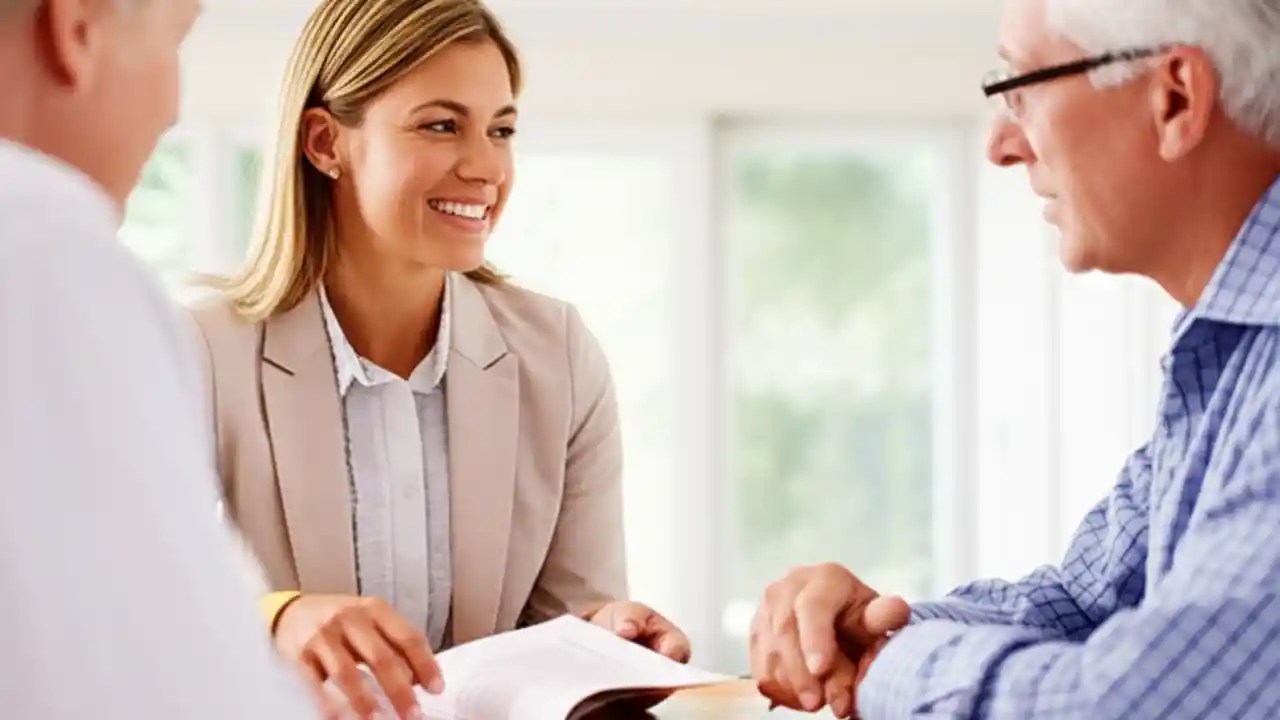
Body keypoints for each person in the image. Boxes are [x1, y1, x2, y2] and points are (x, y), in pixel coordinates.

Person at [749, 0, 1280, 717]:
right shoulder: (1226, 356)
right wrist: (858, 631)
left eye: (1021, 88)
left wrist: (886, 666)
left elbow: (1127, 706)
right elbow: (1081, 602)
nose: (1000, 144)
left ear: (1175, 100)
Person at [188, 1, 689, 717]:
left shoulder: (560, 356)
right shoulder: (200, 353)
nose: (486, 168)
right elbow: (122, 593)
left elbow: (567, 625)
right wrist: (277, 618)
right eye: (440, 126)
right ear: (326, 143)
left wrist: (606, 639)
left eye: (501, 131)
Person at [0, 0, 318, 717]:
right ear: (75, 30)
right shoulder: (44, 246)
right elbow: (177, 691)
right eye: (177, 41)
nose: (174, 109)